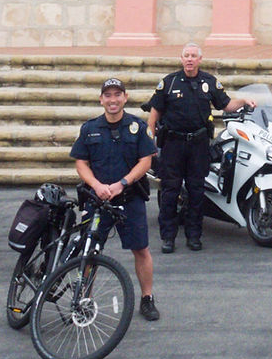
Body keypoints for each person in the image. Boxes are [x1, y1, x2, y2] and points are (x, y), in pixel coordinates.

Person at [71, 77, 161, 322]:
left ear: (125, 97)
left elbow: (146, 161)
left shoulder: (137, 127)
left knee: (141, 249)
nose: (113, 100)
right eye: (108, 95)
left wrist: (122, 183)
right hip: (97, 200)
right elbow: (81, 163)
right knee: (89, 251)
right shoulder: (89, 129)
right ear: (101, 99)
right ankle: (82, 301)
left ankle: (147, 298)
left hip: (129, 199)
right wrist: (97, 186)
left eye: (117, 95)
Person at [145, 44, 248, 253]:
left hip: (198, 145)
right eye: (186, 56)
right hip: (173, 144)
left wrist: (244, 101)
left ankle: (194, 236)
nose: (190, 59)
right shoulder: (169, 82)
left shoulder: (209, 82)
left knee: (196, 191)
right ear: (181, 59)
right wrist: (150, 139)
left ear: (200, 59)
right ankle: (168, 237)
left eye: (193, 56)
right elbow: (154, 114)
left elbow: (226, 105)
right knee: (170, 191)